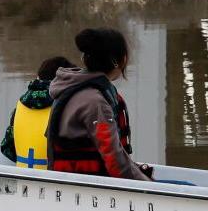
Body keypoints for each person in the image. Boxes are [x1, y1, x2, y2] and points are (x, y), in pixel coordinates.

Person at [46, 27, 152, 181]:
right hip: (91, 186)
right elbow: (115, 162)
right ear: (119, 61)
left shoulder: (69, 87)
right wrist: (148, 185)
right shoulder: (95, 102)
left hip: (73, 180)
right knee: (184, 184)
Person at [0, 55, 71, 169]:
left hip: (22, 175)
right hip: (53, 179)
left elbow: (7, 148)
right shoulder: (65, 105)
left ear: (39, 77)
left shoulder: (20, 104)